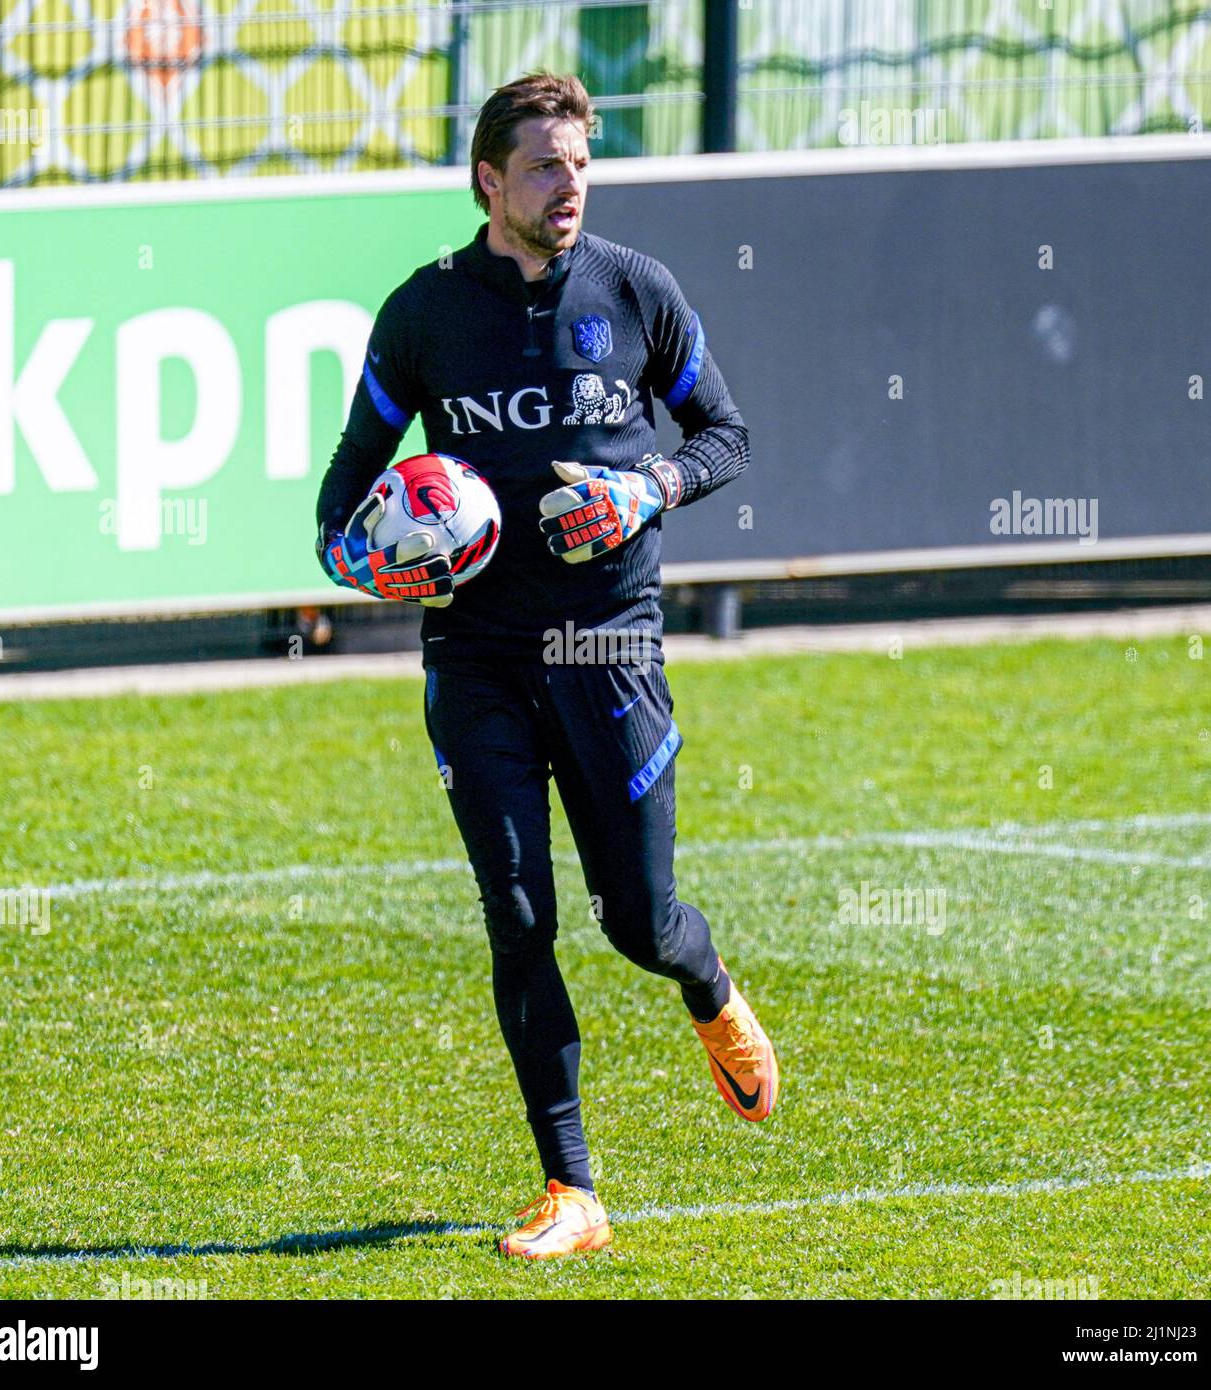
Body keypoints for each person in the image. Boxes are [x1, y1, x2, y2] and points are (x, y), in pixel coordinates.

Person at [316, 71, 778, 1259]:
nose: (566, 187)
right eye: (542, 168)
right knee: (519, 915)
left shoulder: (635, 291)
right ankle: (572, 1188)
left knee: (637, 919)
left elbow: (725, 435)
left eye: (578, 166)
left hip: (612, 649)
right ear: (488, 182)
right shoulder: (423, 313)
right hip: (476, 654)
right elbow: (336, 509)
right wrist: (379, 561)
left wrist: (647, 487)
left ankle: (707, 983)